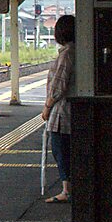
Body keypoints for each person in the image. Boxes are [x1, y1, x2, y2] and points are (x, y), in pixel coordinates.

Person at [43, 15, 76, 203]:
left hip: (61, 113)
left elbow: (58, 85)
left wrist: (47, 107)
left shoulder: (67, 54)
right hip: (67, 111)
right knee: (65, 150)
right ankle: (68, 189)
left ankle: (67, 190)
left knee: (61, 150)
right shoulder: (73, 51)